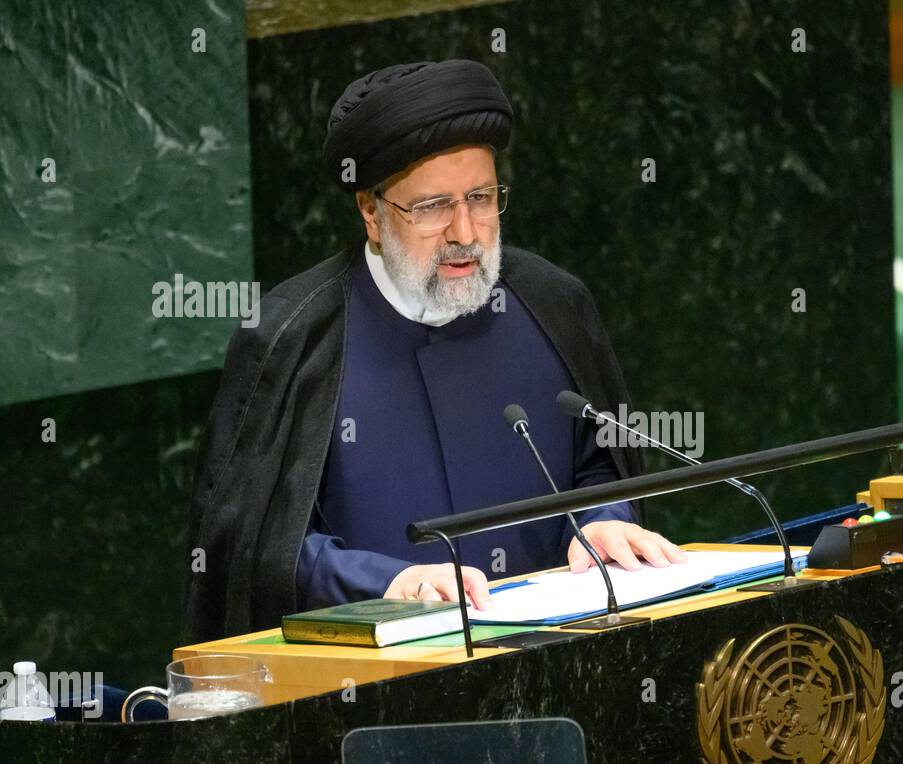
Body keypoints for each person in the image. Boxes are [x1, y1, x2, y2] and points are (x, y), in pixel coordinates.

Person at [185, 59, 683, 641]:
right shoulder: (292, 336)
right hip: (376, 692)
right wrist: (385, 584)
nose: (466, 232)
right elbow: (250, 548)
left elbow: (601, 462)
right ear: (371, 212)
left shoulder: (552, 301)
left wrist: (601, 520)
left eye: (481, 196)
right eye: (432, 208)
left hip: (557, 665)